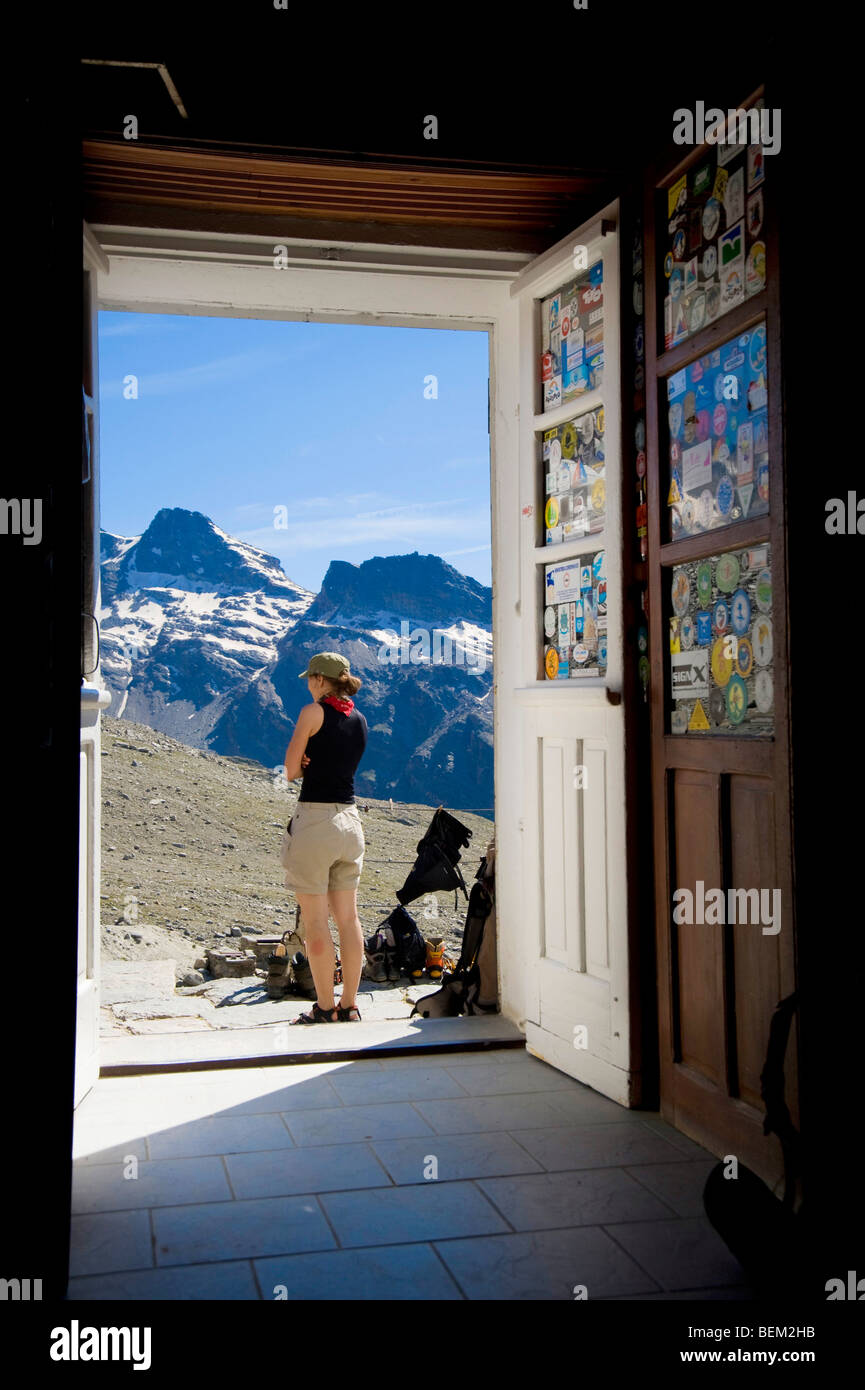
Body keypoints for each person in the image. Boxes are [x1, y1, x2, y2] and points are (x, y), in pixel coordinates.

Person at [282, 652, 368, 1023]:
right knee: (348, 920)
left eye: (309, 678)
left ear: (320, 679)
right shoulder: (360, 719)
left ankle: (324, 1007)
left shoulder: (311, 713)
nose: (306, 684)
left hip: (316, 820)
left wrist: (303, 765)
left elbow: (289, 770)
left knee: (316, 922)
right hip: (350, 821)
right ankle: (350, 1005)